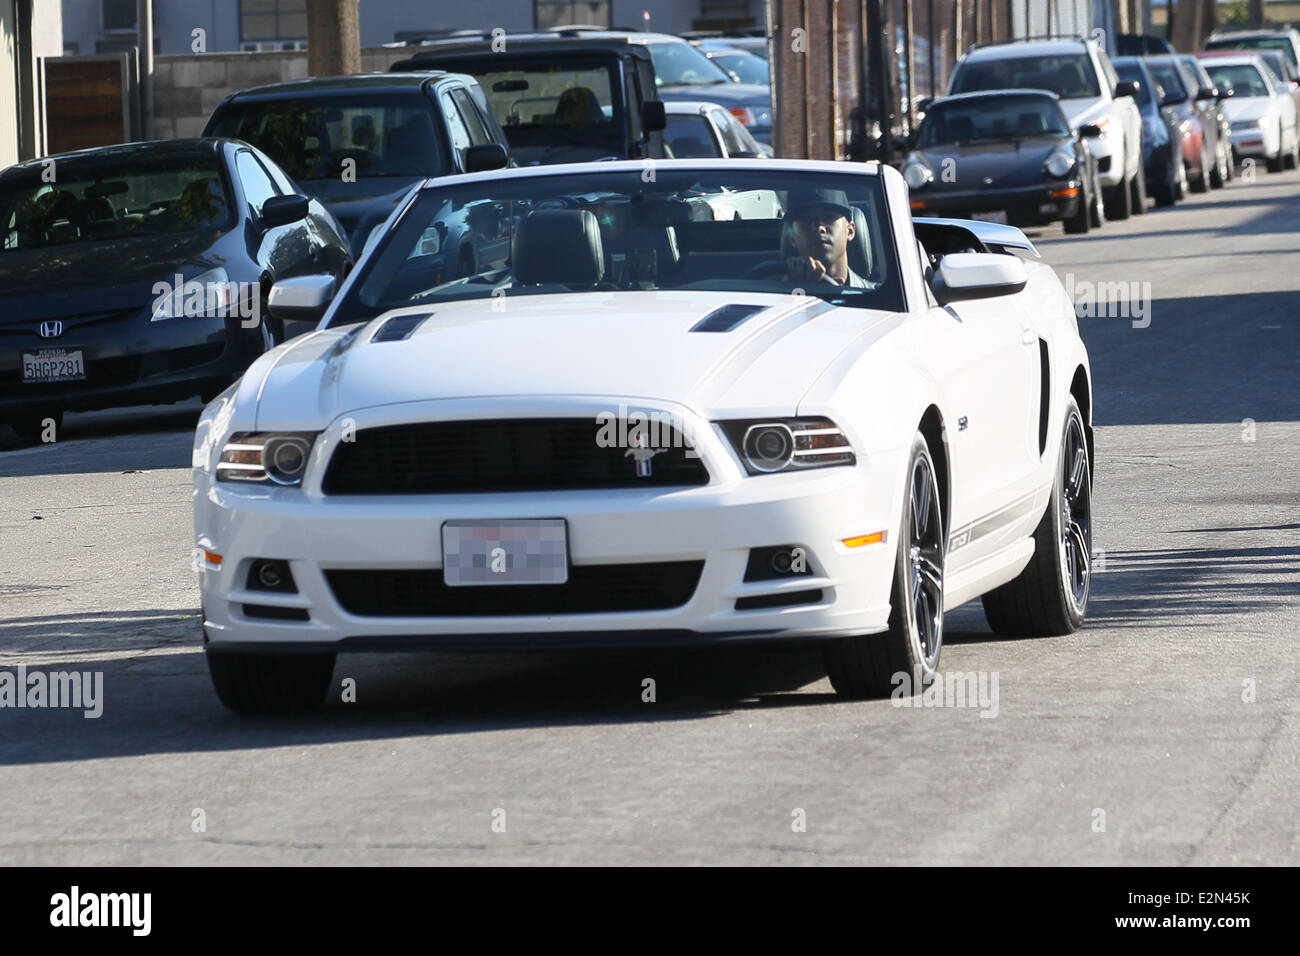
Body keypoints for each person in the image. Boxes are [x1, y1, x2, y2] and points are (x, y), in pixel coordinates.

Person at [783, 187, 871, 288]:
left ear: (850, 231)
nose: (820, 228)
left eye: (829, 217)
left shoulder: (877, 299)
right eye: (806, 220)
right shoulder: (770, 294)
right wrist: (792, 292)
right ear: (792, 238)